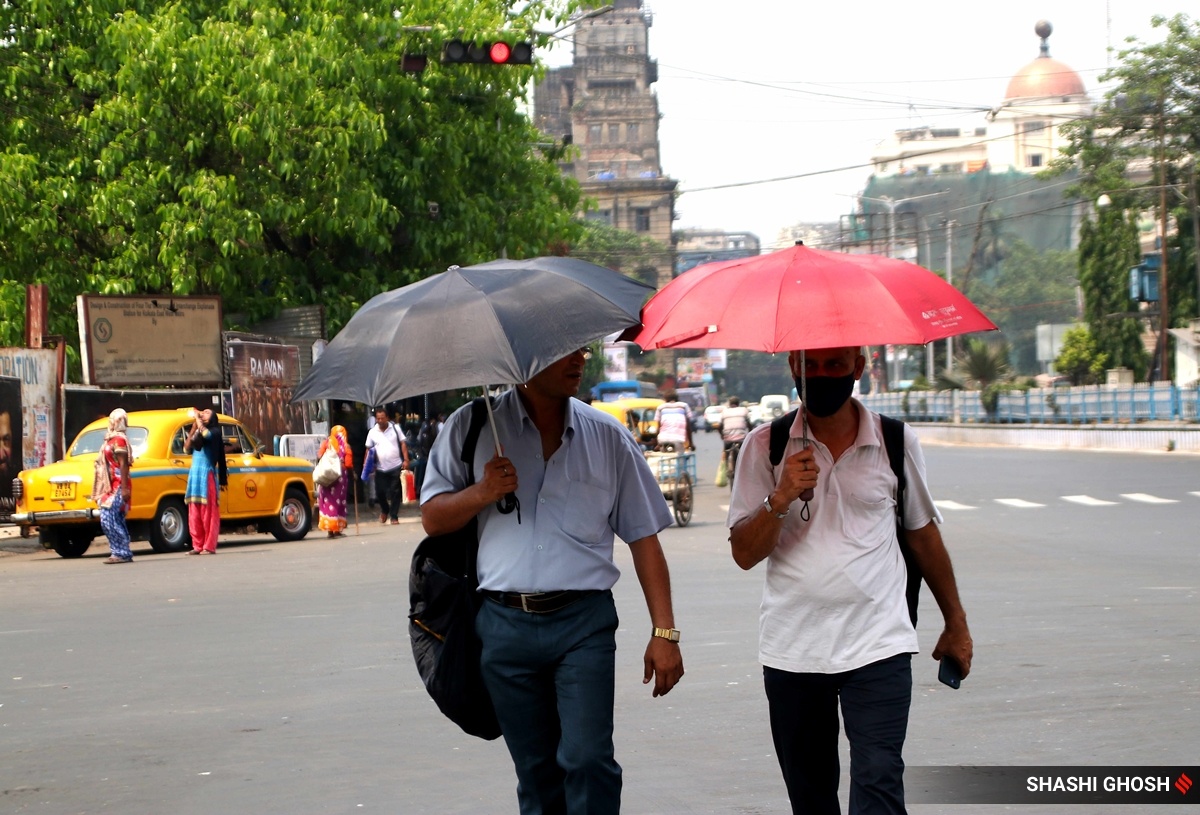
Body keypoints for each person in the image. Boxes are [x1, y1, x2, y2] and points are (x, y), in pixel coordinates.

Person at [421, 348, 685, 815]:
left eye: (581, 348)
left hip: (583, 625)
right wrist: (482, 492)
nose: (579, 359)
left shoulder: (607, 436)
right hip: (503, 626)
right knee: (537, 774)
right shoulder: (471, 427)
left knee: (588, 760)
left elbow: (644, 538)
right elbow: (433, 518)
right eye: (564, 351)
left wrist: (664, 631)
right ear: (525, 356)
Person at [728, 346, 972, 815]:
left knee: (880, 779)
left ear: (858, 367)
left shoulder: (894, 440)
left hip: (879, 644)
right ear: (793, 367)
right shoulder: (765, 446)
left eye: (835, 365)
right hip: (793, 651)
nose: (821, 375)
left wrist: (955, 623)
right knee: (811, 796)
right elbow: (744, 553)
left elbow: (922, 535)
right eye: (810, 365)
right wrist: (780, 497)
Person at [91, 408, 134, 564]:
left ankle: (122, 552)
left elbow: (123, 465)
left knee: (109, 517)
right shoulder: (109, 439)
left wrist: (124, 488)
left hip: (119, 484)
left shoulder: (120, 440)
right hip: (109, 485)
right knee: (111, 518)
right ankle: (120, 551)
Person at [184, 408, 227, 555]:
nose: (203, 413)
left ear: (213, 418)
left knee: (208, 513)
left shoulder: (214, 432)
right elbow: (186, 449)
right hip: (195, 475)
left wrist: (197, 418)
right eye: (203, 412)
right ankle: (197, 545)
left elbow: (206, 434)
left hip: (206, 474)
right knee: (194, 513)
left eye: (207, 412)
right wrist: (194, 428)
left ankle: (209, 546)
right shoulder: (198, 431)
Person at [366, 407, 409, 525]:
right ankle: (385, 509)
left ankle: (394, 516)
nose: (380, 421)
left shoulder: (395, 428)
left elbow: (403, 443)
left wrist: (406, 459)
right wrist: (367, 465)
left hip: (395, 465)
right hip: (380, 468)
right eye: (378, 418)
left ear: (387, 418)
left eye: (382, 418)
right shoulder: (372, 432)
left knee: (395, 492)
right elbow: (368, 449)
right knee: (380, 492)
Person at [316, 425, 352, 538]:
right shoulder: (346, 446)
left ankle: (330, 530)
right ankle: (337, 529)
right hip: (340, 478)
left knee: (328, 502)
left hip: (327, 477)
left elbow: (319, 456)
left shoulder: (326, 443)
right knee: (339, 502)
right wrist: (353, 474)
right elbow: (348, 464)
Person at [719, 397, 751, 474]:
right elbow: (749, 425)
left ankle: (727, 466)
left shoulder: (724, 412)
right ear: (738, 403)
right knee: (744, 453)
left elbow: (720, 427)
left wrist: (722, 435)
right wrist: (750, 433)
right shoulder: (744, 410)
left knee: (726, 450)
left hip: (728, 439)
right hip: (741, 438)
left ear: (729, 404)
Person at [413, 414, 439, 496]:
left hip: (425, 454)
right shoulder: (430, 429)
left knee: (422, 471)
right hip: (426, 454)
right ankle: (420, 487)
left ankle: (419, 487)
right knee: (423, 471)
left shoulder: (426, 429)